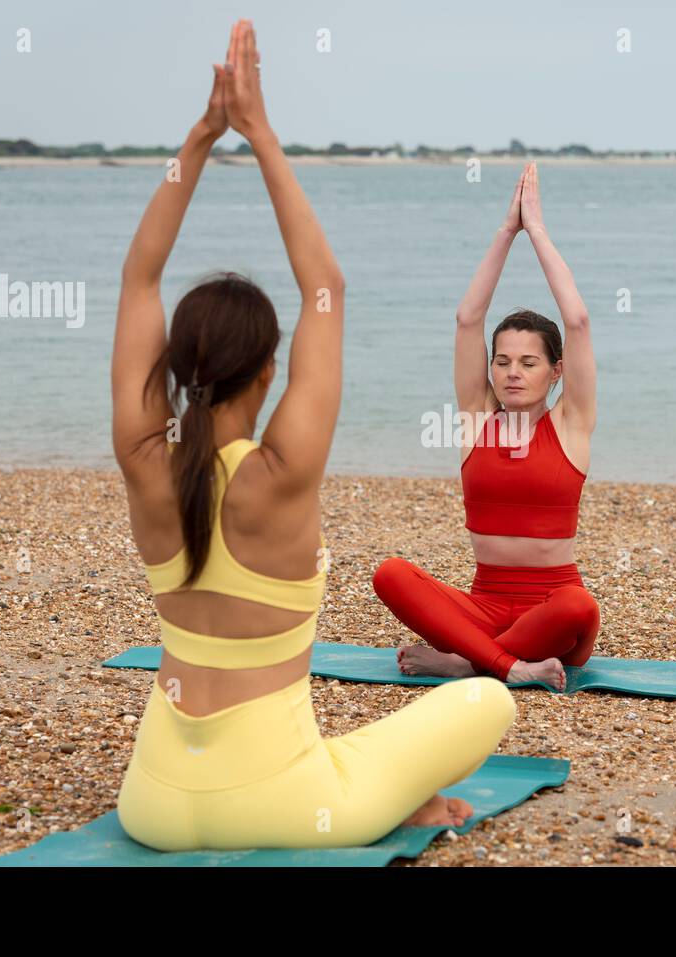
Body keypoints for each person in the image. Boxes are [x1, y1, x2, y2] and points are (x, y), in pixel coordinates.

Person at [110, 20, 515, 850]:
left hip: (150, 803)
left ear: (181, 369)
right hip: (282, 805)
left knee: (341, 752)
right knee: (488, 701)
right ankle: (384, 796)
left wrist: (199, 138)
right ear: (269, 372)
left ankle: (350, 781)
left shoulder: (144, 459)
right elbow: (324, 286)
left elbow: (139, 275)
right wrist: (259, 134)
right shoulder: (282, 470)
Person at [372, 163, 600, 693]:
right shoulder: (477, 417)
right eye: (502, 362)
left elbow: (579, 322)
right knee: (391, 574)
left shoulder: (572, 423)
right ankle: (504, 664)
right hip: (482, 607)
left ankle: (467, 663)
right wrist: (505, 231)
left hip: (553, 612)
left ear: (555, 371)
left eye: (528, 362)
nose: (512, 373)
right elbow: (468, 319)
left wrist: (536, 231)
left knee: (578, 605)